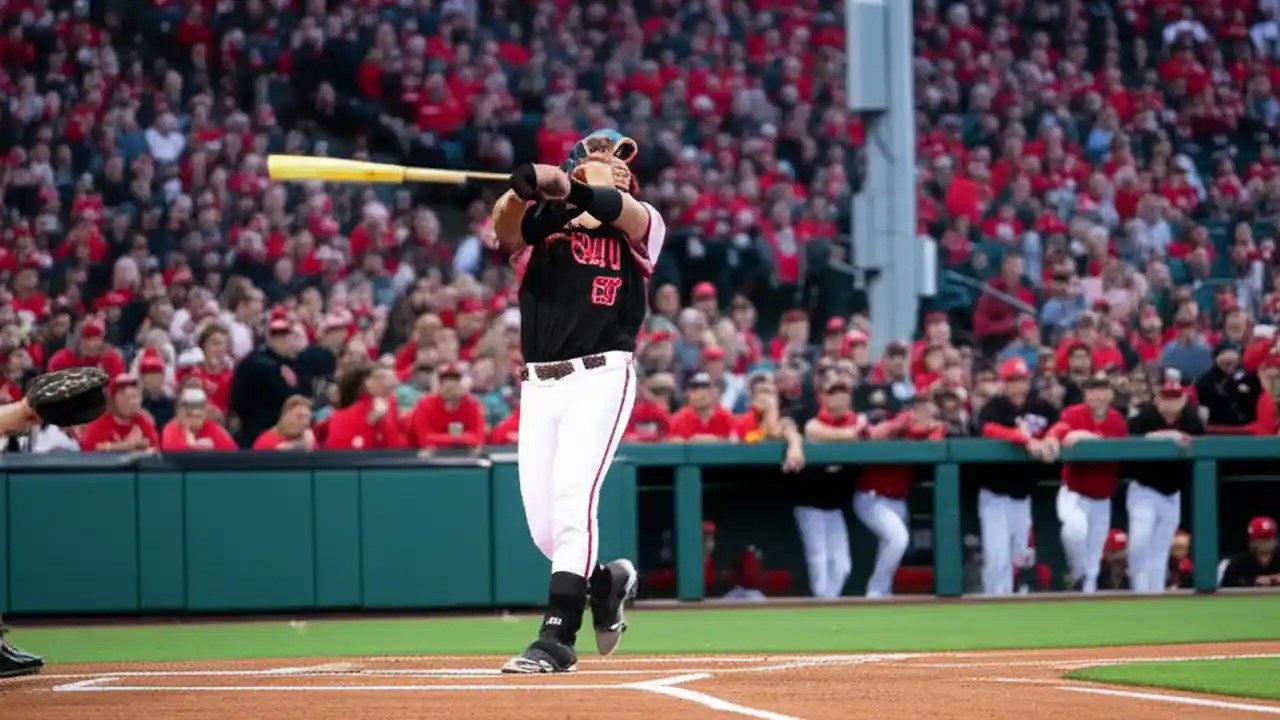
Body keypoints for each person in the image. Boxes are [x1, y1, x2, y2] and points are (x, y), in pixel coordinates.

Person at [489, 130, 664, 673]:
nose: (610, 164)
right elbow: (506, 229)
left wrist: (582, 191)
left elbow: (627, 214)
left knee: (571, 502)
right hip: (541, 384)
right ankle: (605, 583)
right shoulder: (547, 226)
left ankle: (557, 635)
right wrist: (524, 191)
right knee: (546, 528)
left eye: (618, 162)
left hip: (601, 375)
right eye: (598, 157)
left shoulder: (644, 224)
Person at [976, 357, 1060, 595]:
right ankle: (993, 603)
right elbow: (987, 429)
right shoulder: (996, 406)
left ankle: (1015, 601)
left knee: (1020, 554)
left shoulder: (1040, 406)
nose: (1017, 385)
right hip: (994, 493)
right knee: (996, 555)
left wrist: (1052, 436)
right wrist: (1024, 439)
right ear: (1004, 382)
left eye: (1021, 379)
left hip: (1022, 494)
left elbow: (1061, 423)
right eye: (1012, 380)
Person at [854, 396, 947, 598]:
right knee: (898, 539)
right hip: (871, 497)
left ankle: (883, 590)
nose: (926, 418)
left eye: (931, 414)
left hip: (898, 500)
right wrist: (901, 422)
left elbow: (935, 445)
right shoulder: (887, 423)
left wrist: (932, 427)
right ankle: (876, 590)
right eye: (922, 411)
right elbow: (870, 434)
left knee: (893, 543)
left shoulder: (924, 434)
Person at [1048, 372, 1129, 592]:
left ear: (1110, 394)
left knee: (1095, 553)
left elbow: (1120, 450)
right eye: (1093, 390)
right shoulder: (1073, 413)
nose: (1098, 395)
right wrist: (1067, 435)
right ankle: (1077, 573)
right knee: (1074, 530)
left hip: (1102, 495)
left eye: (1103, 390)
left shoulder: (1116, 420)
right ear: (1086, 394)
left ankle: (1087, 592)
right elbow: (1061, 432)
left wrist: (1088, 436)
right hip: (1074, 490)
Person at [1125, 375, 1203, 594]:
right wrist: (1171, 434)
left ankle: (1156, 594)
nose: (1171, 403)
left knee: (1160, 549)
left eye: (1176, 398)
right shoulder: (1145, 415)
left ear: (1184, 400)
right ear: (1157, 400)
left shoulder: (1191, 418)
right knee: (1139, 542)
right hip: (1144, 489)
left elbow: (1198, 441)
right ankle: (1139, 593)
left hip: (1172, 493)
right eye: (1166, 398)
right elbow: (1132, 437)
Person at [800, 376, 861, 598]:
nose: (839, 397)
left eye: (843, 392)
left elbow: (865, 431)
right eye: (833, 392)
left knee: (842, 564)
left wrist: (854, 433)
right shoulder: (812, 418)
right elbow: (811, 430)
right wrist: (849, 435)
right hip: (809, 502)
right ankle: (822, 603)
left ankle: (829, 601)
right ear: (823, 397)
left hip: (835, 504)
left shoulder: (855, 419)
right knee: (819, 559)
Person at [228, 317, 306, 447]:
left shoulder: (296, 364)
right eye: (278, 337)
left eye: (287, 336)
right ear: (269, 338)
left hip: (287, 432)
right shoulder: (254, 363)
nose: (283, 341)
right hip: (257, 431)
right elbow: (238, 400)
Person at [323, 363, 408, 450]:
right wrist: (369, 424)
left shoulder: (391, 403)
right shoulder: (345, 415)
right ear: (367, 382)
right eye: (382, 378)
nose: (391, 383)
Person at [407, 363, 487, 452]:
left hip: (461, 456)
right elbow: (424, 439)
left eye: (455, 380)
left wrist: (440, 440)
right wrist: (461, 439)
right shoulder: (425, 404)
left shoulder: (472, 404)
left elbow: (479, 439)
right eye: (446, 380)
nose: (451, 385)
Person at [79, 374, 161, 453]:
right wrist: (130, 445)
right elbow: (90, 454)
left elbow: (154, 451)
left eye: (135, 396)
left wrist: (113, 447)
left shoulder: (144, 422)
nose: (133, 402)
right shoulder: (97, 425)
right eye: (126, 397)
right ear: (113, 400)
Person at [159, 388, 238, 451]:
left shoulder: (214, 428)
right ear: (178, 411)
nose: (195, 412)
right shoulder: (171, 428)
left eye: (199, 406)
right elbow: (175, 452)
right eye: (189, 406)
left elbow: (231, 454)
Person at [668, 372, 737, 441]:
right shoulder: (681, 417)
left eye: (706, 388)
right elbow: (672, 442)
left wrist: (715, 440)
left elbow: (735, 440)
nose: (701, 392)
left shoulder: (725, 417)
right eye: (696, 388)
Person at [1220, 516, 1280, 587]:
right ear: (1252, 541)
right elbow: (1227, 583)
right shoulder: (1240, 561)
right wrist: (1253, 581)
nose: (1266, 544)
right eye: (1261, 540)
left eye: (1269, 539)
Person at [252, 395, 317, 450]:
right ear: (286, 415)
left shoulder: (309, 439)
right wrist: (298, 445)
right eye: (300, 417)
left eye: (307, 418)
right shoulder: (266, 439)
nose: (305, 422)